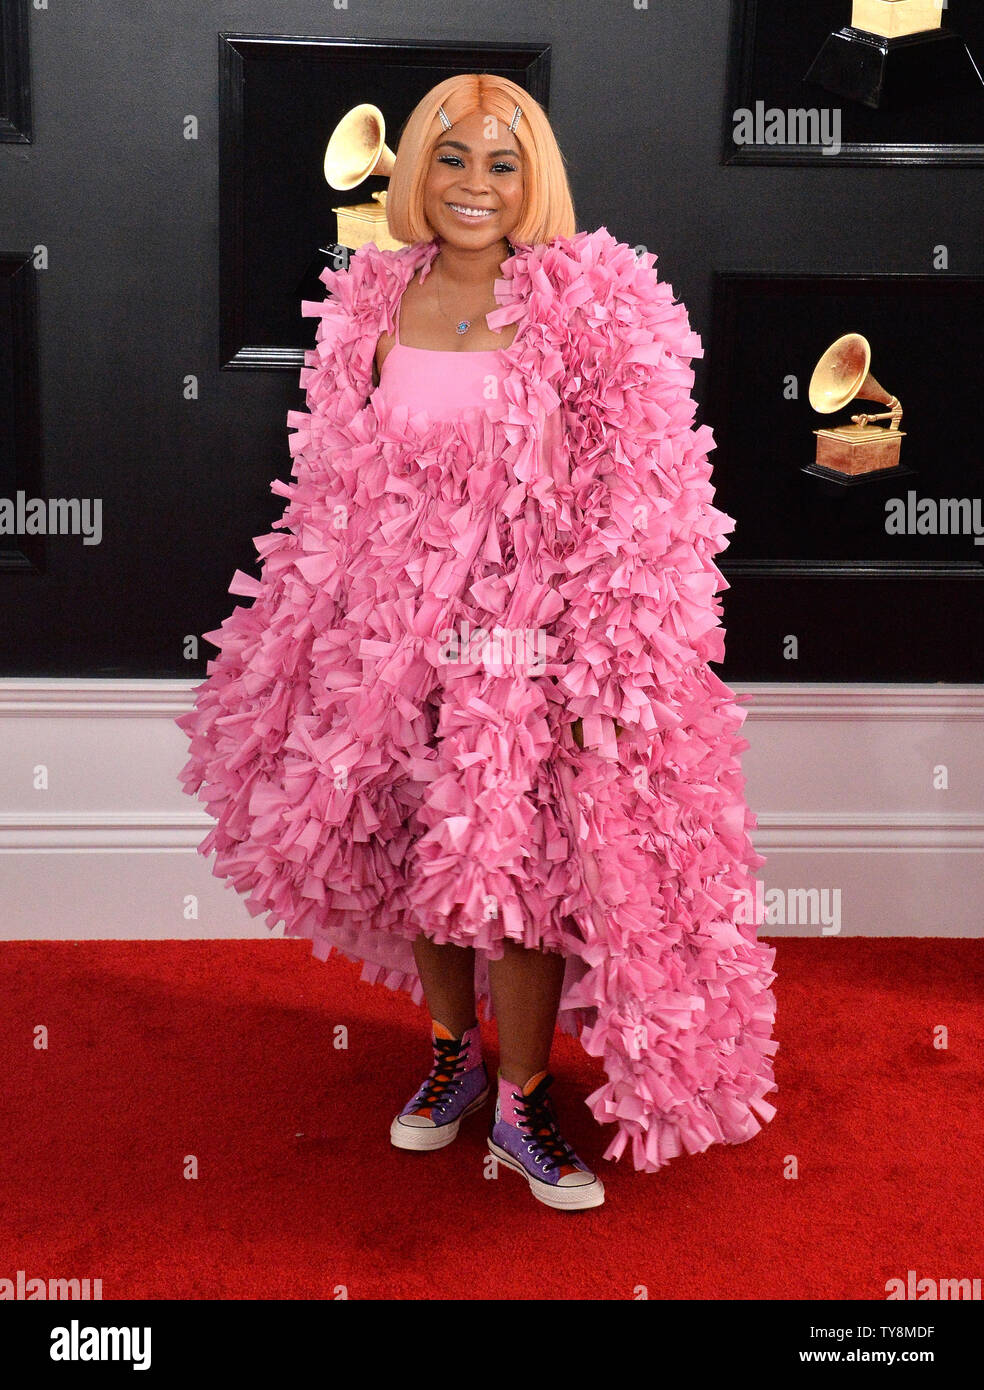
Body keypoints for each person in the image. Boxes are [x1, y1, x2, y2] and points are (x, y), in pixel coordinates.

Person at [177, 73, 777, 1213]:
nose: (474, 186)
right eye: (451, 160)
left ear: (532, 178)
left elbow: (640, 491)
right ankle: (453, 1055)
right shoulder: (368, 298)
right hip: (392, 633)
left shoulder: (591, 299)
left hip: (530, 639)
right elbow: (337, 478)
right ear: (416, 172)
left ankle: (525, 1093)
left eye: (502, 164)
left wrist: (606, 651)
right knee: (426, 848)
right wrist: (315, 634)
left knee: (528, 870)